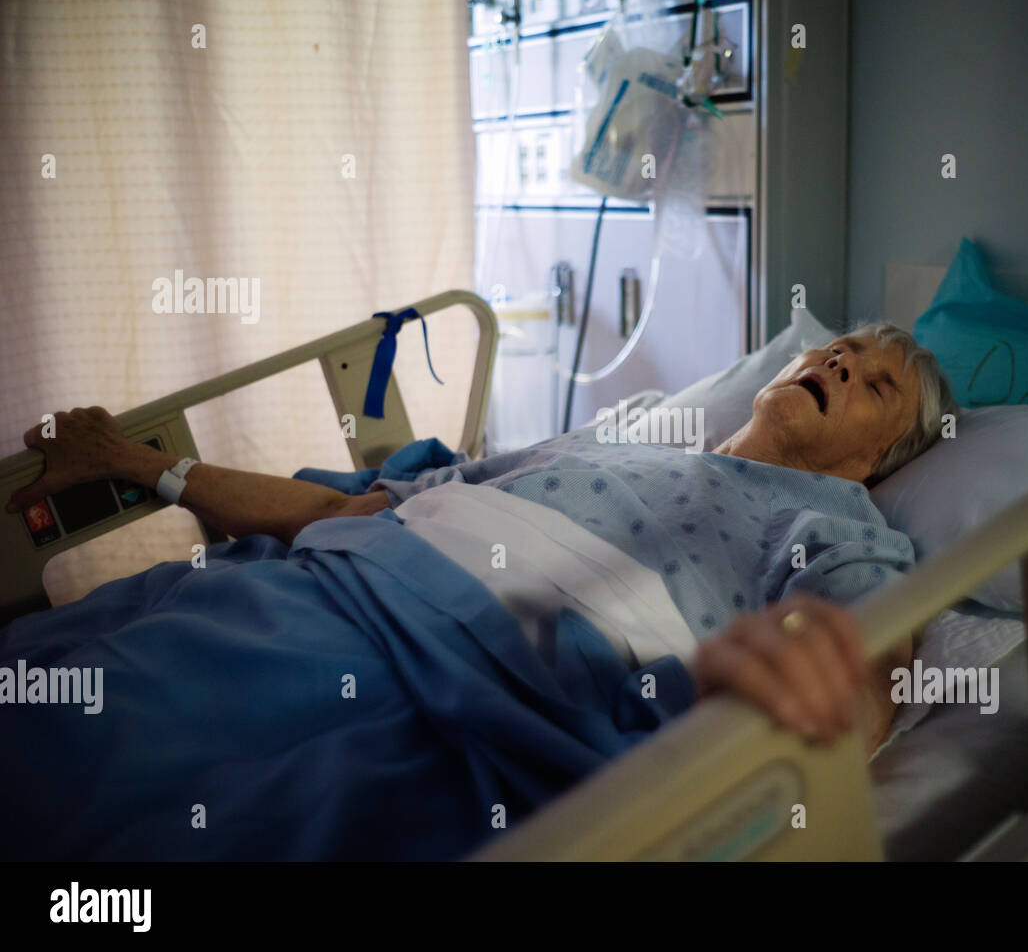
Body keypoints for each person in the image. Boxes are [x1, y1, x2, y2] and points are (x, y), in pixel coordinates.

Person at [6, 324, 957, 756]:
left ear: (878, 458)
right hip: (324, 586)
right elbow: (360, 508)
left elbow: (869, 658)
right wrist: (138, 460)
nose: (841, 361)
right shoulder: (614, 439)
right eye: (841, 349)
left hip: (482, 668)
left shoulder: (838, 524)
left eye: (875, 384)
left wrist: (810, 687)